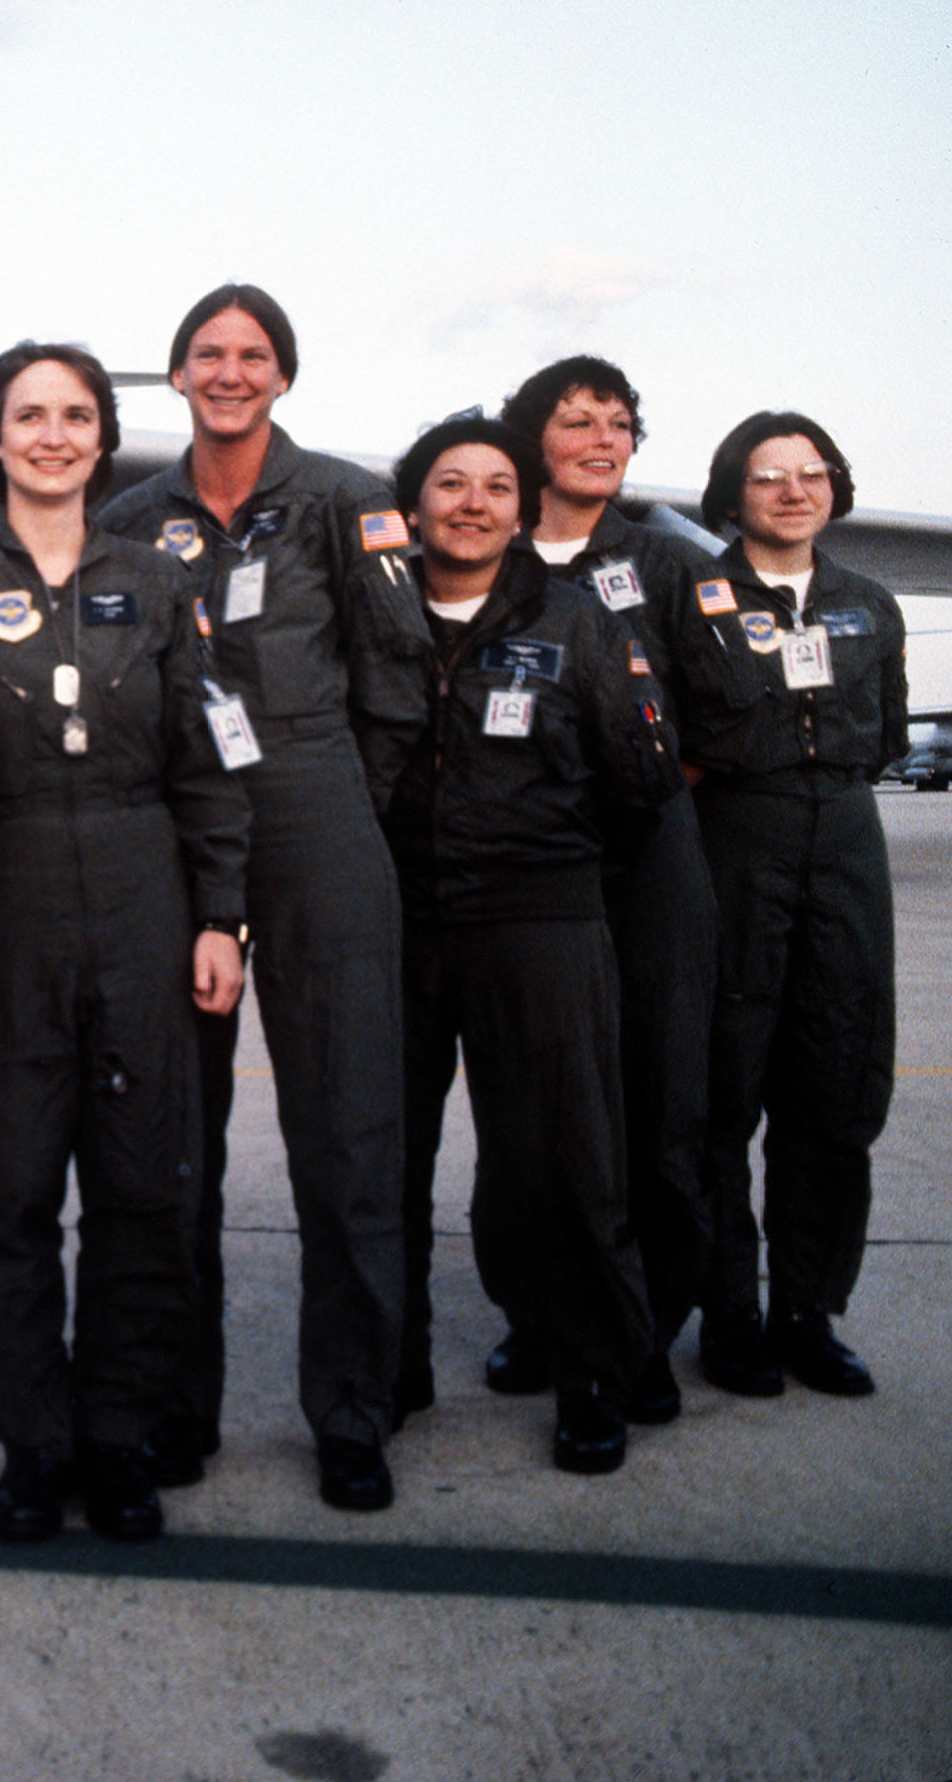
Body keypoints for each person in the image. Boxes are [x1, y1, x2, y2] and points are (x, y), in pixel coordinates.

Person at [96, 284, 429, 1511]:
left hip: (312, 811)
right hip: (176, 822)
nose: (228, 372)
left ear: (282, 375)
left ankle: (351, 1406)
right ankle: (177, 1403)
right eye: (205, 354)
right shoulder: (130, 516)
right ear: (175, 375)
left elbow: (397, 680)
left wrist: (340, 799)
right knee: (173, 1139)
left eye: (251, 354)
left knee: (346, 1132)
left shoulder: (345, 500)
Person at [0, 343, 248, 1543]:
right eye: (29, 415)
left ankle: (114, 1439)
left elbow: (206, 757)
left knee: (140, 1195)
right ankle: (32, 1447)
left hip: (139, 900)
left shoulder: (158, 585)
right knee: (6, 1201)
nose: (53, 436)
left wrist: (219, 914)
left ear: (104, 439)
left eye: (75, 415)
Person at [352, 416, 681, 1473]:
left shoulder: (577, 621)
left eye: (496, 485)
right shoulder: (373, 617)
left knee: (563, 1161)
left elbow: (639, 781)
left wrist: (553, 869)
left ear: (520, 507)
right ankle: (389, 1366)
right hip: (397, 919)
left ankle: (592, 1373)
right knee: (383, 1157)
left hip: (536, 921)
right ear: (411, 506)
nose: (473, 502)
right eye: (449, 483)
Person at [483, 357, 718, 1422]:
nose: (599, 438)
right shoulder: (486, 551)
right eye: (575, 421)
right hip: (528, 859)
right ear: (532, 437)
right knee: (530, 1114)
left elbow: (718, 712)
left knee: (659, 1102)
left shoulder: (665, 565)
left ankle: (641, 1331)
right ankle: (534, 1315)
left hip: (648, 854)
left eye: (617, 423)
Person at [671, 412, 905, 1399]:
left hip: (845, 840)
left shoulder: (868, 603)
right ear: (733, 493)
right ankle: (727, 1315)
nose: (791, 491)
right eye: (768, 476)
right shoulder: (691, 598)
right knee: (719, 1091)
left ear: (832, 489)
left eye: (809, 474)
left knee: (834, 1087)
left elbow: (886, 730)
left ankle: (805, 1312)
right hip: (733, 836)